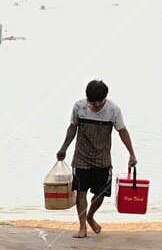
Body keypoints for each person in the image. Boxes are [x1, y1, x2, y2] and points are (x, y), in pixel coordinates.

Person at [56, 79, 137, 239]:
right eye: (92, 102)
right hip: (81, 157)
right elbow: (72, 127)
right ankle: (82, 227)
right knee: (81, 192)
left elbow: (122, 131)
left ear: (105, 98)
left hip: (102, 158)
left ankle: (90, 216)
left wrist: (131, 153)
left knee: (100, 194)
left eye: (99, 102)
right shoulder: (79, 107)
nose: (96, 105)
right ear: (88, 98)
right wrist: (63, 147)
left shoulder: (113, 110)